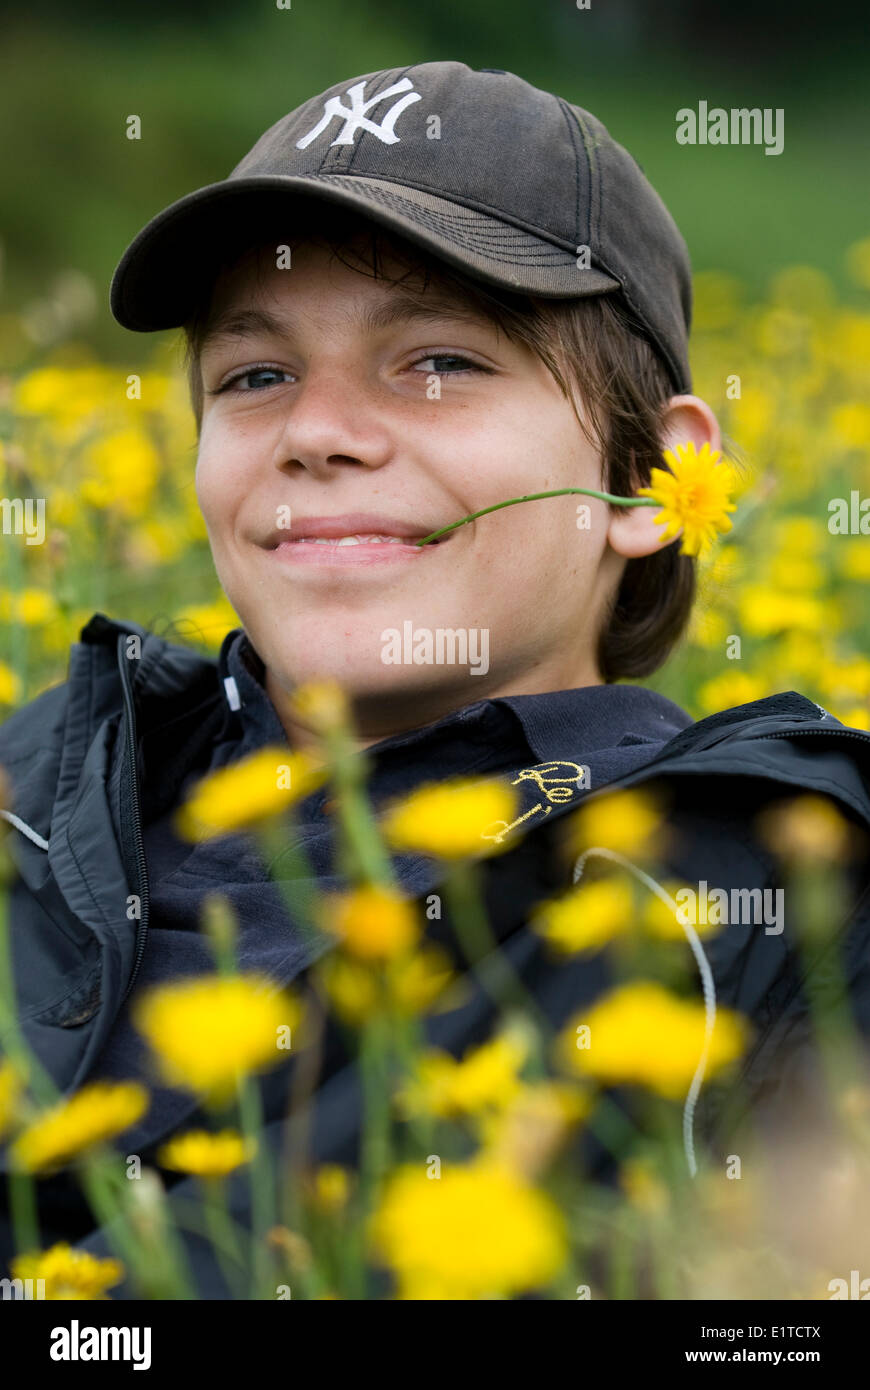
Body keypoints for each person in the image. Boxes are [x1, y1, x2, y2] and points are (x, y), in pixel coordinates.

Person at [1, 61, 869, 1298]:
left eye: (440, 362)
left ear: (643, 482)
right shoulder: (30, 790)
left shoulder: (766, 901)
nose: (318, 429)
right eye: (255, 376)